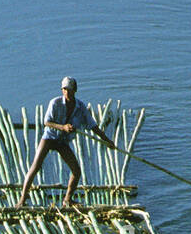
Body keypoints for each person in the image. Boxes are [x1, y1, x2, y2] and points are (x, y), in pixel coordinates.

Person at [16, 76, 118, 209]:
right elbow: (47, 122)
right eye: (64, 89)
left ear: (75, 90)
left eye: (70, 89)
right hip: (49, 138)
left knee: (76, 171)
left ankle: (67, 200)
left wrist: (107, 141)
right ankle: (22, 199)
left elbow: (93, 126)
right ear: (62, 90)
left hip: (62, 141)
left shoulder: (80, 107)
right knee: (35, 167)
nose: (67, 92)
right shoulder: (55, 103)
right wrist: (63, 127)